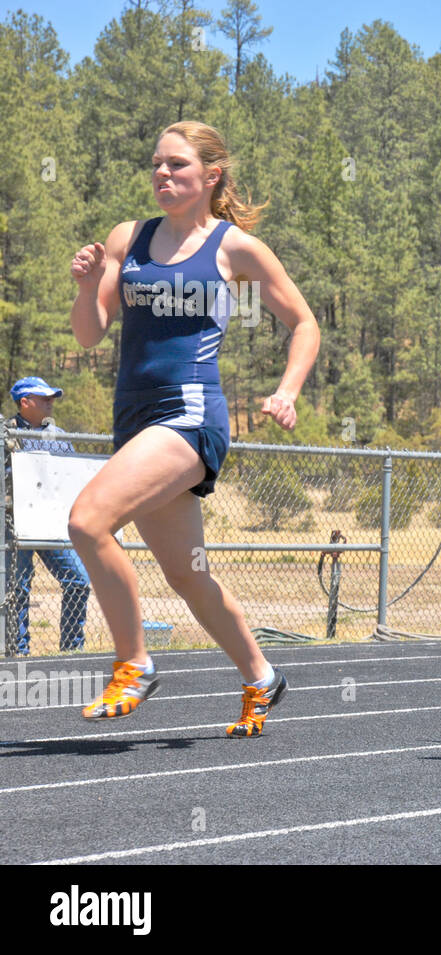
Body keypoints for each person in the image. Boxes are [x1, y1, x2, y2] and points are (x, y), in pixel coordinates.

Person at [67, 121, 320, 737]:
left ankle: (133, 661)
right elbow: (89, 332)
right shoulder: (128, 238)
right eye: (156, 164)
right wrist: (84, 285)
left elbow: (305, 324)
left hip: (189, 416)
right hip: (134, 420)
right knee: (186, 574)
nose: (162, 174)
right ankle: (262, 676)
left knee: (87, 521)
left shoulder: (235, 248)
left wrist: (287, 392)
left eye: (177, 165)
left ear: (211, 176)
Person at [4, 377, 91, 654]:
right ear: (24, 402)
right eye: (44, 398)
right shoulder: (6, 434)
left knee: (79, 581)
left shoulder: (60, 434)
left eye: (52, 397)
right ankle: (19, 651)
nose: (50, 402)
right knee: (18, 589)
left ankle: (71, 650)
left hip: (50, 523)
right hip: (15, 523)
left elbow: (71, 474)